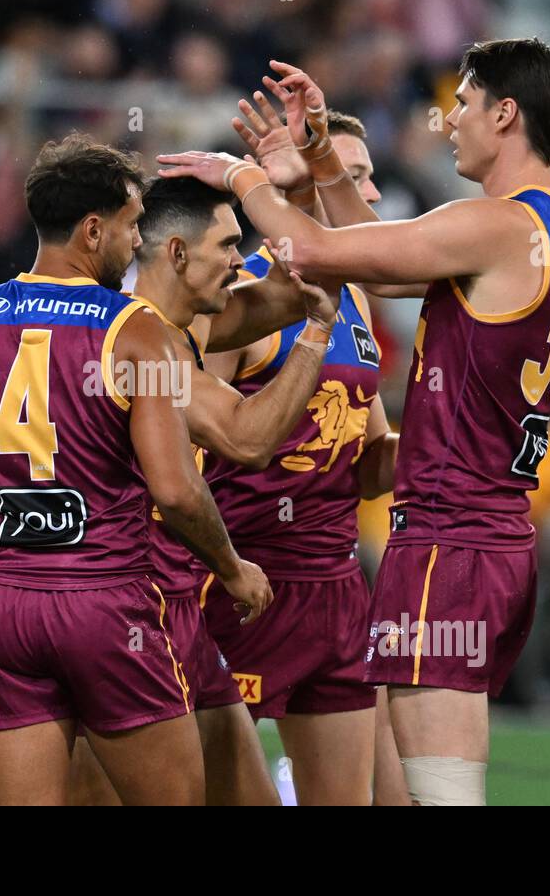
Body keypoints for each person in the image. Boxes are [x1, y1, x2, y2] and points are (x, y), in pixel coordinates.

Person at [159, 39, 550, 805]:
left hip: (448, 538)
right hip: (491, 534)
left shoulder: (493, 224)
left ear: (505, 113)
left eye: (462, 102)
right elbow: (373, 266)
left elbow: (316, 250)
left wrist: (241, 177)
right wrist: (324, 155)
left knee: (439, 796)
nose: (449, 119)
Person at [0, 134, 272, 805]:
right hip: (105, 604)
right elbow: (176, 492)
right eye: (129, 225)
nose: (135, 241)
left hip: (2, 612)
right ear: (93, 230)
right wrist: (233, 569)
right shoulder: (135, 330)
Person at [70, 175, 344, 806]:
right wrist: (317, 337)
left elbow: (296, 284)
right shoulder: (142, 341)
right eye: (227, 246)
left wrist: (298, 182)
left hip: (178, 613)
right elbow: (244, 437)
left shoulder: (194, 325)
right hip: (120, 612)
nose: (239, 260)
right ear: (176, 254)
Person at [200, 100, 408, 805]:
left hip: (336, 584)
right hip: (243, 586)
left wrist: (455, 439)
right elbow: (190, 442)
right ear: (295, 183)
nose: (370, 194)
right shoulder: (243, 294)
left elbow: (371, 457)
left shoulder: (352, 301)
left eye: (369, 178)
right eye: (352, 175)